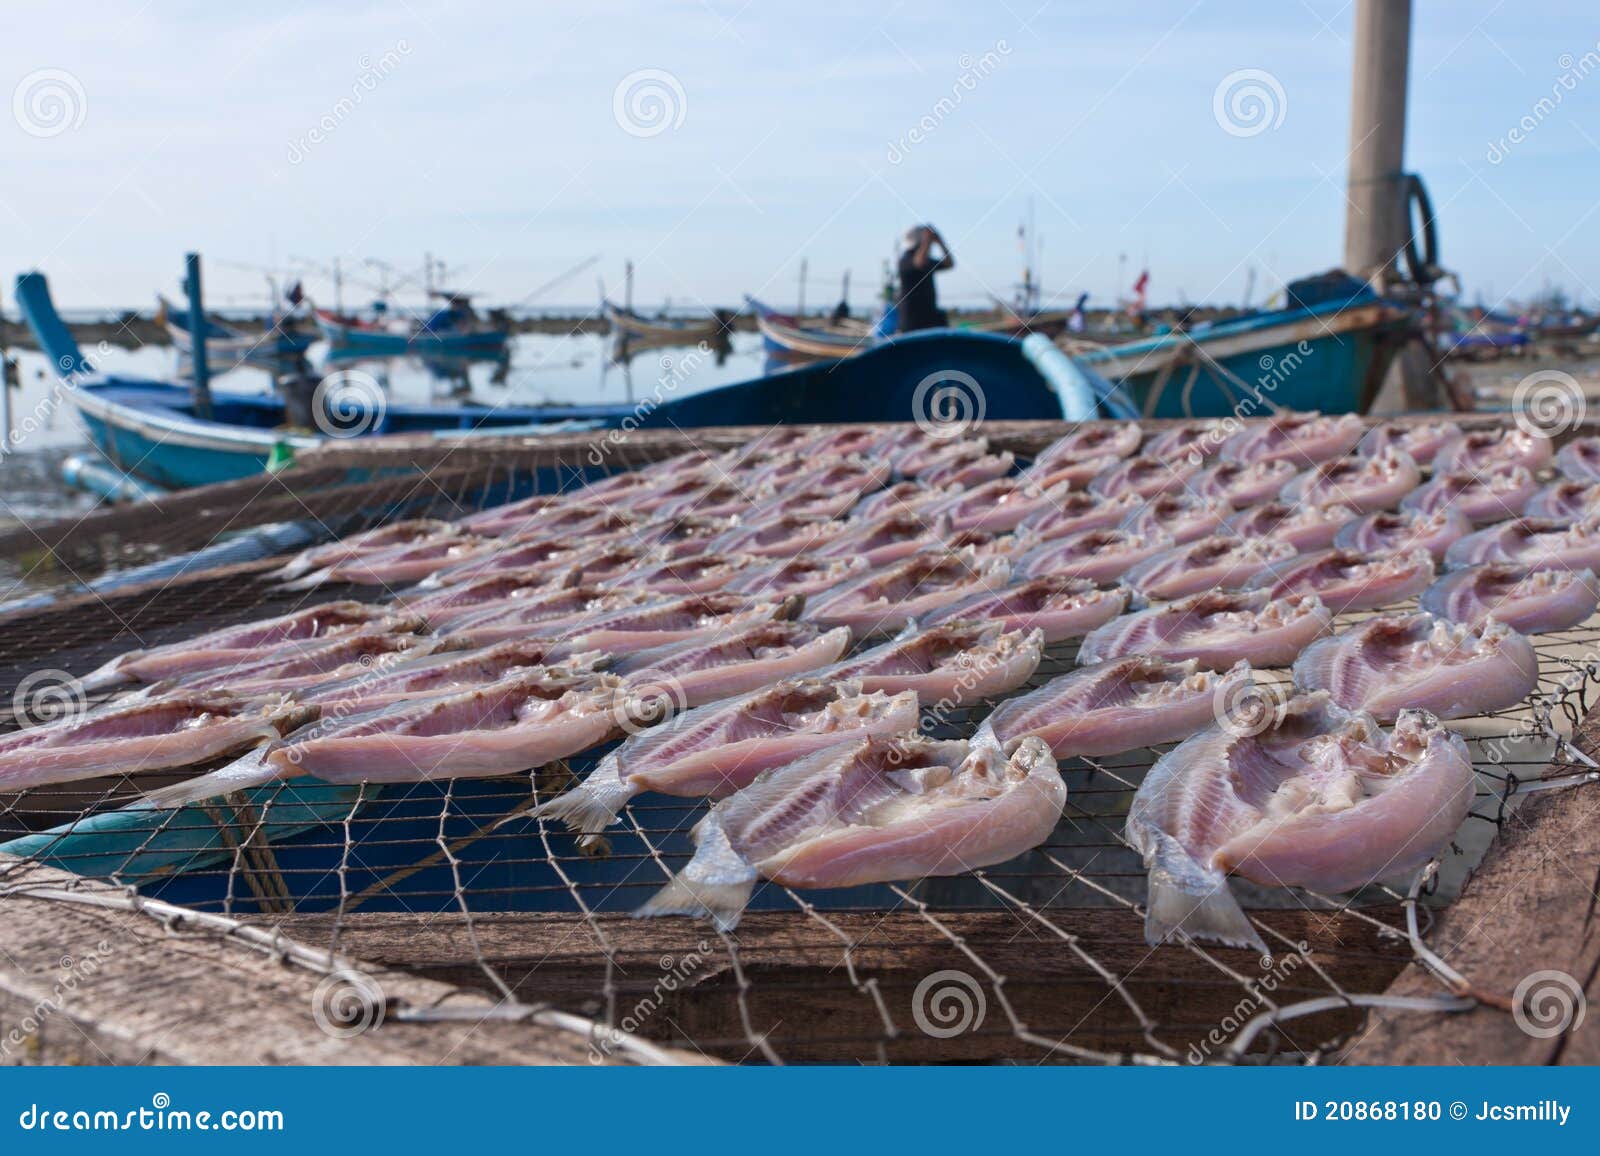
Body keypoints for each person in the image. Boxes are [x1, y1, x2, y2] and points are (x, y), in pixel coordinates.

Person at [895, 225, 954, 333]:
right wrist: (927, 240)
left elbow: (949, 263)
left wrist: (940, 242)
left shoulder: (927, 262)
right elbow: (919, 263)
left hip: (930, 316)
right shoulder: (905, 260)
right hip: (912, 320)